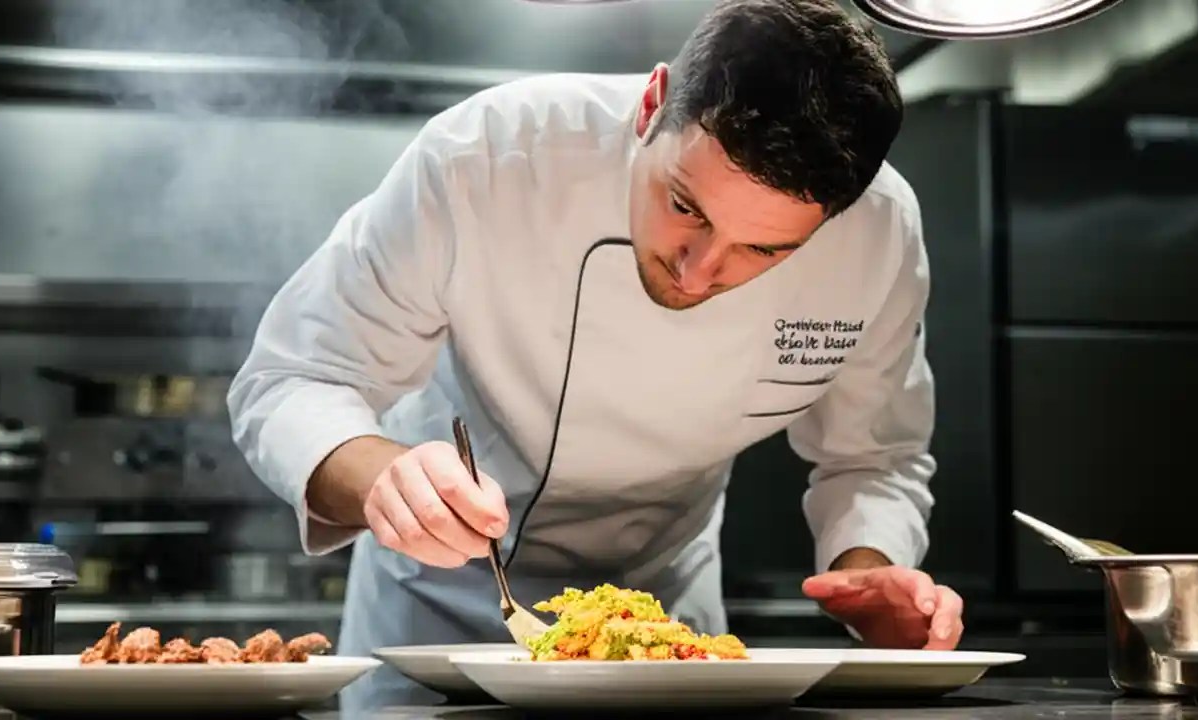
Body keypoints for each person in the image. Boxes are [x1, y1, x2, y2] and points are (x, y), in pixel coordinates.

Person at [228, 0, 962, 710]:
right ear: (651, 106)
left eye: (764, 249)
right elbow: (292, 377)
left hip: (666, 629)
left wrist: (869, 572)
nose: (699, 272)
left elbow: (876, 456)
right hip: (439, 608)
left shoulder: (880, 238)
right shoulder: (487, 157)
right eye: (685, 207)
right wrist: (384, 477)